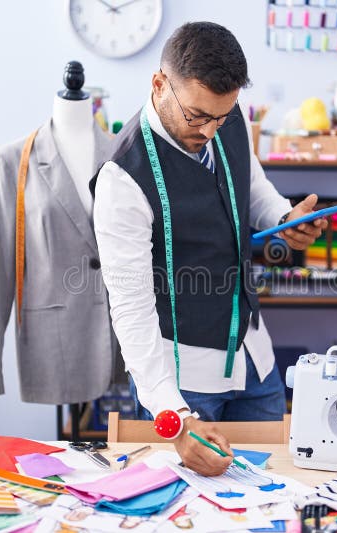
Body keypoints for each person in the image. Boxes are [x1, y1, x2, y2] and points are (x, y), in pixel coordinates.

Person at [93, 21, 324, 476]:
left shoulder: (223, 114)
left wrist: (283, 219)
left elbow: (250, 185)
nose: (212, 130)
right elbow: (132, 309)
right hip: (185, 382)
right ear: (160, 84)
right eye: (198, 116)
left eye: (222, 117)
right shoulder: (122, 179)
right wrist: (173, 418)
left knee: (278, 489)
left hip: (254, 359)